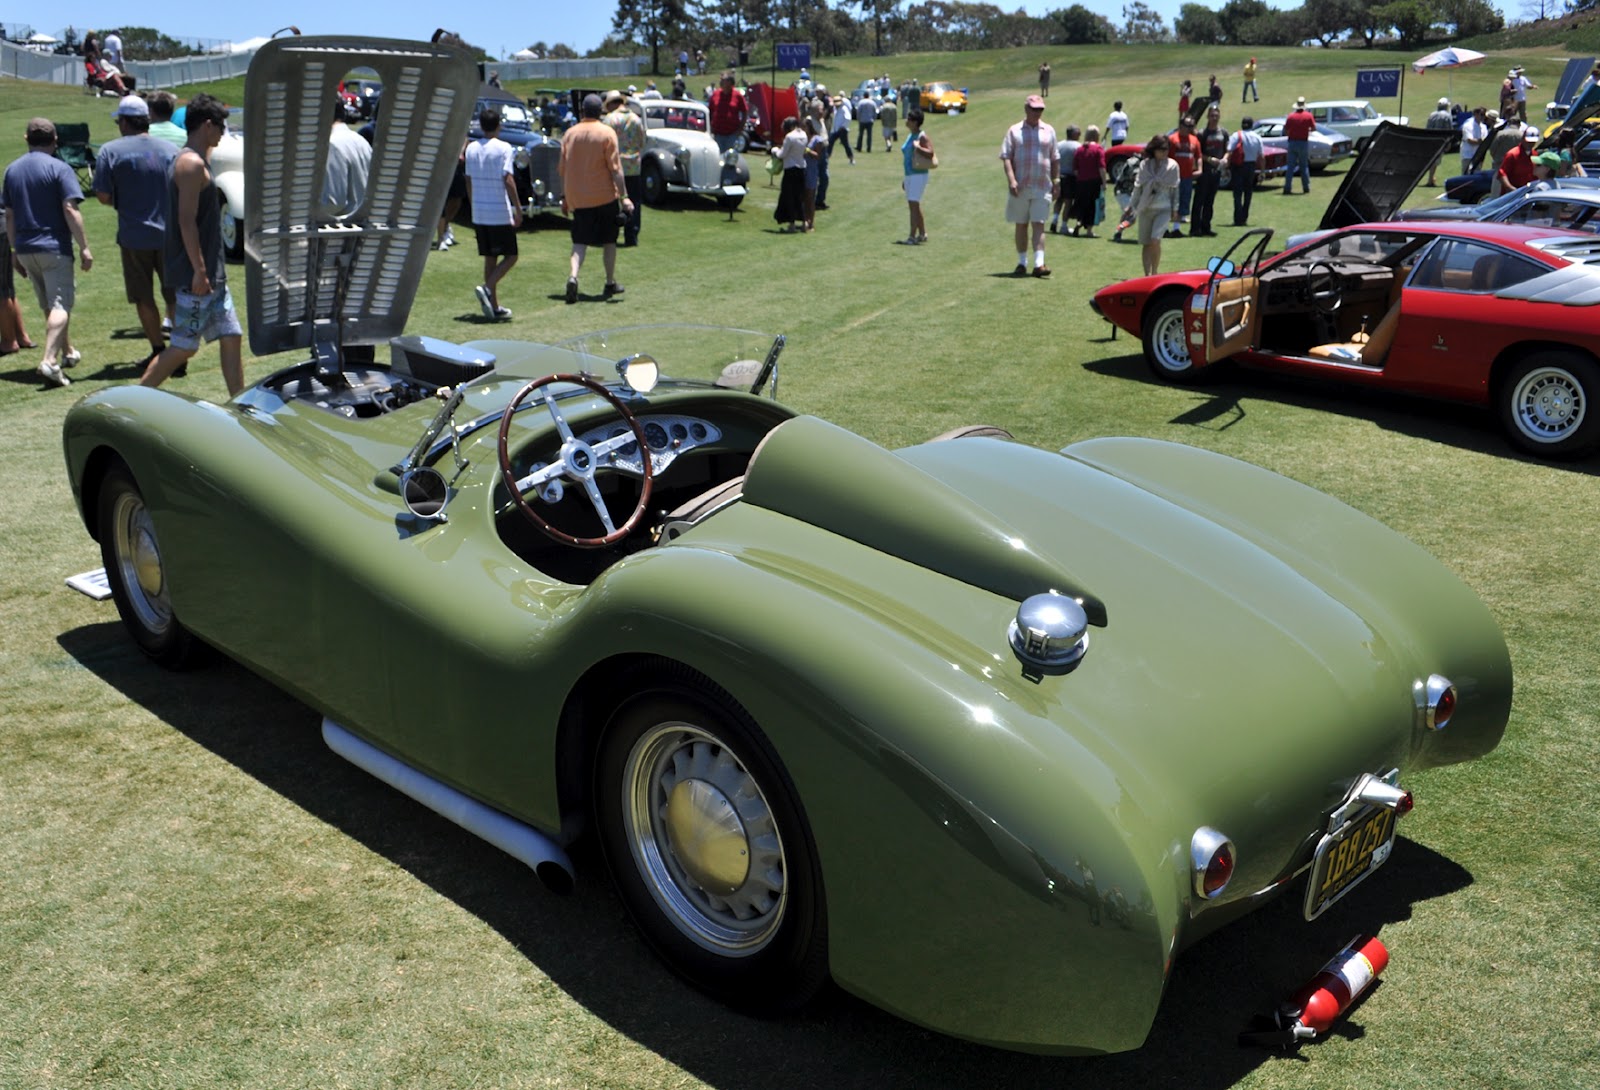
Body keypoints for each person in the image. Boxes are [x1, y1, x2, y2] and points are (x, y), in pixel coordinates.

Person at [139, 95, 244, 397]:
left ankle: (239, 403)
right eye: (221, 126)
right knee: (184, 347)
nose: (224, 132)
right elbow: (186, 222)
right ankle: (135, 400)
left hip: (213, 275)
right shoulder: (191, 164)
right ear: (207, 125)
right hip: (195, 277)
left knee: (231, 335)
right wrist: (198, 271)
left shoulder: (200, 160)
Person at [4, 118, 92, 387]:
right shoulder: (60, 168)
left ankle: (67, 351)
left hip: (26, 248)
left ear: (26, 138)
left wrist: (14, 250)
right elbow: (70, 209)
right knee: (61, 304)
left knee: (48, 304)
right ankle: (49, 360)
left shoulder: (12, 170)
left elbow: (9, 215)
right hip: (53, 247)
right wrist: (85, 246)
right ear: (55, 140)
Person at [93, 94, 178, 368]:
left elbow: (103, 195)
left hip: (134, 236)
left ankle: (157, 350)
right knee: (174, 295)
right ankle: (178, 353)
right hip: (171, 235)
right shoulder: (170, 150)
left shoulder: (110, 151)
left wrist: (124, 198)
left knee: (143, 296)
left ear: (124, 122)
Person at [559, 93, 633, 302]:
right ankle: (610, 282)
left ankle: (573, 276)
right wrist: (624, 197)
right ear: (600, 111)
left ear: (582, 111)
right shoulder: (607, 133)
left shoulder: (569, 134)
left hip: (578, 198)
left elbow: (563, 169)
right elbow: (615, 169)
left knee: (579, 242)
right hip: (604, 196)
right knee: (610, 240)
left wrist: (565, 197)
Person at [463, 108, 520, 319]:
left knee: (490, 258)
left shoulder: (471, 149)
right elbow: (508, 179)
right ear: (499, 125)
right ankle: (487, 288)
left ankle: (494, 307)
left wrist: (473, 202)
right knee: (511, 255)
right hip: (498, 211)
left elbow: (468, 179)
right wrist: (518, 208)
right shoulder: (504, 148)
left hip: (480, 211)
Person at [1000, 94, 1059, 277]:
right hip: (1021, 185)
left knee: (1039, 224)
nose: (1037, 112)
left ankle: (1039, 264)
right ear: (1026, 109)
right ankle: (1022, 262)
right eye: (1034, 109)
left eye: (1040, 109)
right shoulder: (1014, 131)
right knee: (1021, 225)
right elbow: (1006, 157)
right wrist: (1011, 180)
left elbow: (1055, 158)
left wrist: (1057, 181)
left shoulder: (1049, 130)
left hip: (1042, 185)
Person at [1118, 133, 1179, 276]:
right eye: (1161, 149)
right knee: (1146, 242)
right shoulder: (1145, 165)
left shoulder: (1173, 166)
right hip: (1145, 208)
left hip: (1163, 209)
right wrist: (1131, 206)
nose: (1164, 152)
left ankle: (1155, 272)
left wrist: (1175, 209)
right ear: (1154, 150)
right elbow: (1138, 188)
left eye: (1166, 149)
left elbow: (1175, 189)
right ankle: (1147, 275)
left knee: (1155, 239)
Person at [603, 89, 644, 247]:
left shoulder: (609, 120)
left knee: (613, 199)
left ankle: (611, 232)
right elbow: (642, 141)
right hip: (633, 166)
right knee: (634, 200)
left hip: (615, 166)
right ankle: (632, 234)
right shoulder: (636, 119)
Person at [321, 96, 371, 220]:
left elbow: (333, 203)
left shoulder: (332, 143)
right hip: (361, 226)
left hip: (339, 232)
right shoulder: (360, 139)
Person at [1, 204, 38, 355]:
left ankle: (9, 342)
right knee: (7, 288)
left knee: (2, 291)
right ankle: (21, 337)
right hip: (5, 228)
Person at [1192, 105, 1228, 238]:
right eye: (1212, 115)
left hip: (1216, 171)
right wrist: (1209, 159)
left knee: (1210, 201)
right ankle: (1195, 228)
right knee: (1199, 200)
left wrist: (1224, 159)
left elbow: (1227, 150)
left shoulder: (1223, 132)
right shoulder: (1202, 134)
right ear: (1208, 117)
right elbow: (1198, 153)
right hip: (1204, 171)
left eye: (1216, 115)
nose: (1214, 118)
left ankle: (1206, 226)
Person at [901, 108, 933, 245]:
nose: (907, 121)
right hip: (910, 174)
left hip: (918, 175)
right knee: (914, 205)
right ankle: (922, 233)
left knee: (913, 205)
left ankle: (912, 236)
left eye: (909, 119)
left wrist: (918, 147)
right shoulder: (911, 135)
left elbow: (931, 153)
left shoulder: (922, 136)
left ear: (915, 122)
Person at [1225, 116, 1263, 226]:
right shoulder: (1257, 137)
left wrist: (1227, 166)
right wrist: (1262, 171)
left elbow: (1229, 150)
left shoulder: (1236, 135)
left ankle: (1238, 217)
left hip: (1238, 166)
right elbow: (1261, 156)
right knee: (1248, 192)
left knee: (1237, 193)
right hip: (1250, 166)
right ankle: (1244, 216)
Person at [773, 117, 808, 233]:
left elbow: (782, 154)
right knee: (799, 196)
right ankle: (804, 223)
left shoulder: (789, 137)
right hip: (801, 168)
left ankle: (792, 224)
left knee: (789, 197)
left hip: (790, 169)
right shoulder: (803, 135)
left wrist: (775, 151)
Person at [1072, 124, 1108, 238]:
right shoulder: (1098, 149)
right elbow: (1101, 167)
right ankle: (1089, 230)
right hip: (1094, 181)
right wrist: (1104, 181)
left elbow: (1075, 168)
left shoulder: (1080, 149)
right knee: (1093, 205)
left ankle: (1079, 221)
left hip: (1081, 181)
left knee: (1082, 203)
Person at [1169, 115, 1201, 236]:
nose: (1189, 128)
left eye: (1191, 126)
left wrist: (1200, 169)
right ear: (1181, 126)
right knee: (1171, 201)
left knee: (1184, 200)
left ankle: (1176, 228)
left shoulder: (1194, 140)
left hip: (1187, 176)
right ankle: (1165, 228)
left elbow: (1198, 156)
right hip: (1173, 176)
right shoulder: (1172, 139)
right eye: (1187, 126)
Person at [1050, 125, 1080, 234]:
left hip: (1058, 175)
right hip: (1070, 177)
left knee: (1059, 200)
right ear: (1074, 134)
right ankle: (1063, 226)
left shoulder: (1059, 145)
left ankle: (1054, 220)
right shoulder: (1077, 146)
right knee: (1068, 202)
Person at [708, 73, 748, 155]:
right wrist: (710, 127)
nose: (721, 82)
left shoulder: (737, 96)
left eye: (724, 81)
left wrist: (740, 129)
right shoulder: (715, 94)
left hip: (732, 134)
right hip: (717, 133)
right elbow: (710, 111)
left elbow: (745, 112)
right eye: (721, 80)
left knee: (730, 157)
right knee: (717, 156)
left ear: (730, 82)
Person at [1283, 97, 1314, 194]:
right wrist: (1306, 131)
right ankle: (1306, 187)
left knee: (1290, 166)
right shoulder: (1308, 116)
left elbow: (1286, 130)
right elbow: (1313, 128)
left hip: (1292, 142)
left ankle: (1287, 187)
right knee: (1304, 166)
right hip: (1303, 142)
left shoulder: (1291, 116)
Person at [1497, 129, 1539, 194]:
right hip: (1513, 193)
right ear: (1523, 139)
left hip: (1528, 192)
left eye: (1533, 142)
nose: (1530, 144)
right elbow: (1502, 174)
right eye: (1528, 141)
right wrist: (1511, 188)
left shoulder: (1535, 154)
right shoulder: (1512, 154)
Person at [802, 117, 825, 231]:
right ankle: (804, 220)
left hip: (811, 170)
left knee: (810, 198)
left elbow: (818, 156)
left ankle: (811, 222)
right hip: (803, 169)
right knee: (803, 197)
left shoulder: (817, 139)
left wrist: (808, 151)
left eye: (805, 127)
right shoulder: (803, 138)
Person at [1425, 97, 1453, 186]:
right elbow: (1449, 130)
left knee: (1432, 160)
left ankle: (1431, 178)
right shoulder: (1447, 116)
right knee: (1435, 161)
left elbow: (1427, 128)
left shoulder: (1432, 114)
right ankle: (1430, 180)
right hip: (1440, 141)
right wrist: (1449, 142)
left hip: (1430, 140)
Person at [1459, 105, 1490, 173]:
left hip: (1478, 155)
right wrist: (1482, 141)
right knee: (1466, 174)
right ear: (1475, 114)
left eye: (1484, 115)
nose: (1483, 117)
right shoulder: (1468, 125)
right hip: (1468, 154)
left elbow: (1486, 140)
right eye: (1481, 114)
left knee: (1477, 174)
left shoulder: (1483, 126)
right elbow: (1470, 141)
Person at [828, 94, 854, 165]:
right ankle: (827, 157)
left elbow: (848, 118)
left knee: (845, 144)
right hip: (836, 130)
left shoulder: (844, 108)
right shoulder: (836, 109)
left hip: (842, 130)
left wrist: (843, 126)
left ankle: (851, 158)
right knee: (830, 142)